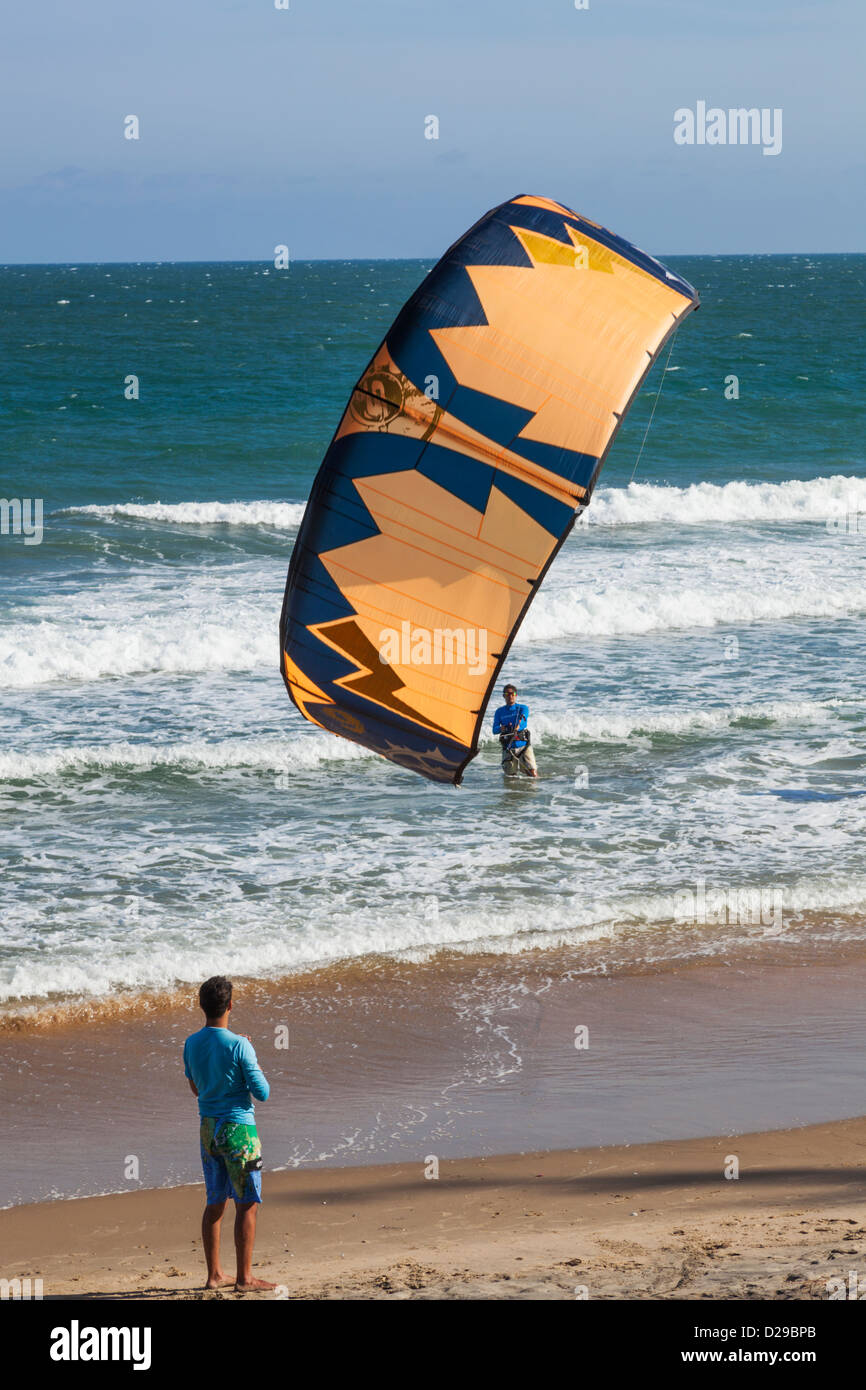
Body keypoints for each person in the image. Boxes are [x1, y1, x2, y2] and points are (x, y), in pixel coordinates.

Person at [183, 975, 275, 1292]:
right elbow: (262, 1092)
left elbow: (197, 1088)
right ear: (230, 1005)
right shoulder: (240, 1045)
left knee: (215, 1202)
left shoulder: (191, 1043)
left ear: (201, 1006)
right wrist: (248, 1053)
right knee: (247, 1202)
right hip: (240, 1135)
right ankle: (244, 1278)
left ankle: (213, 1276)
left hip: (208, 1131)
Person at [492, 682, 538, 777]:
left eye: (513, 694)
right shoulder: (499, 712)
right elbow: (494, 730)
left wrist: (518, 726)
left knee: (533, 774)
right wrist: (502, 728)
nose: (510, 696)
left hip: (523, 746)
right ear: (503, 696)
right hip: (508, 748)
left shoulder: (523, 708)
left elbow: (523, 720)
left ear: (516, 695)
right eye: (507, 694)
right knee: (510, 778)